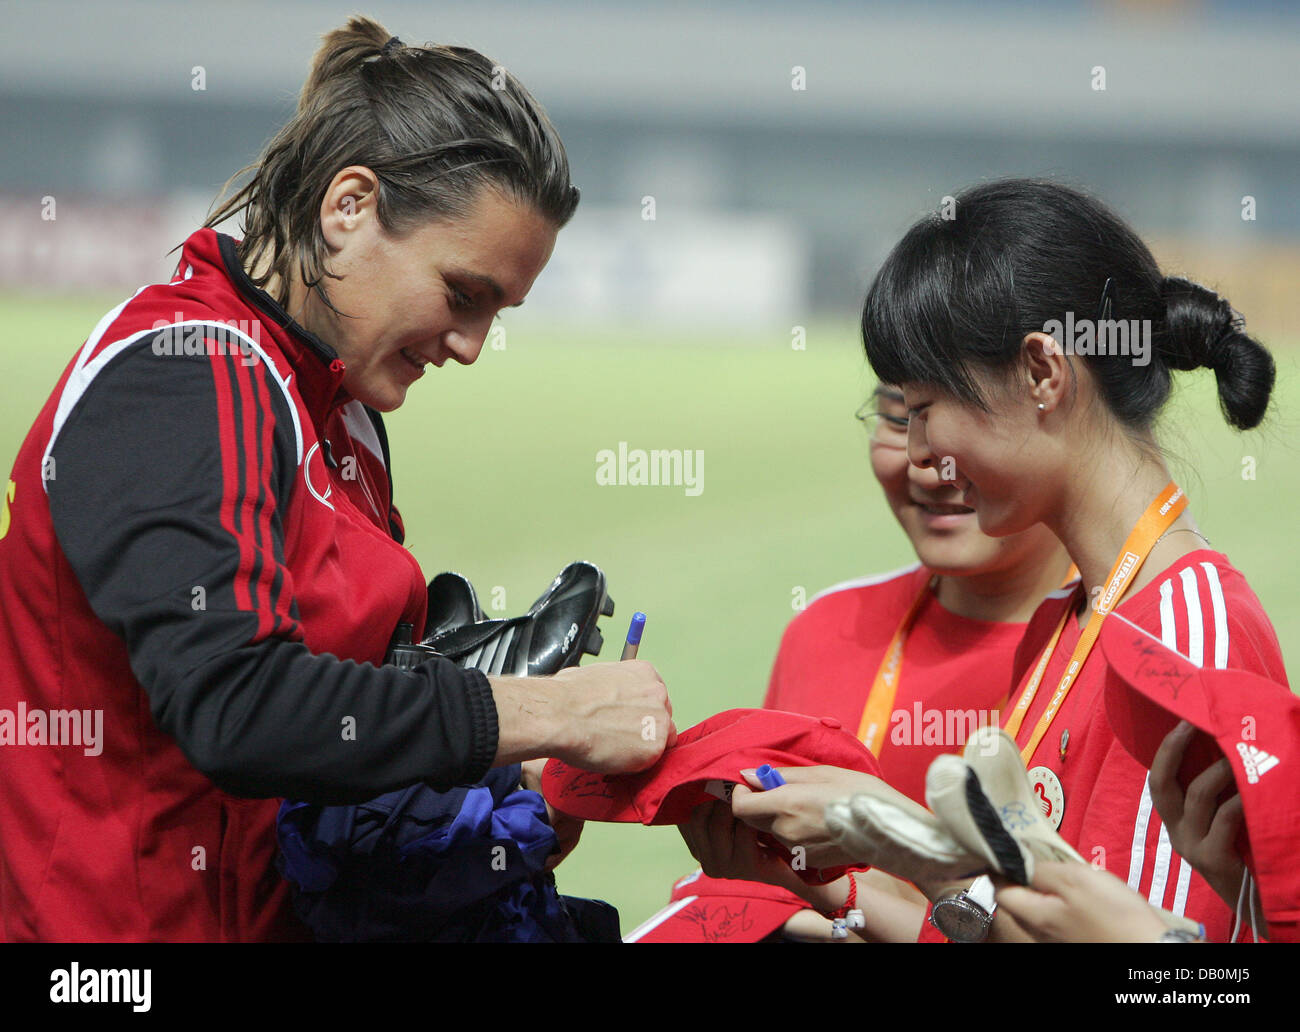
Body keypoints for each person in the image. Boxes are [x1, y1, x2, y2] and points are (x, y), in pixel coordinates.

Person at [0, 16, 672, 942]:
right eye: (463, 293)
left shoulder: (338, 405)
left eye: (500, 313)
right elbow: (238, 707)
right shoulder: (188, 371)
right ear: (348, 207)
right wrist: (538, 713)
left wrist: (494, 802)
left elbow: (315, 764)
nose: (473, 347)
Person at [683, 178, 1286, 943]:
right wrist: (862, 881)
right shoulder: (1067, 623)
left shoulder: (1182, 634)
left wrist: (912, 845)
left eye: (927, 407)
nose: (922, 453)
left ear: (1043, 373)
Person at [641, 383, 1073, 942]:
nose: (928, 466)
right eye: (899, 417)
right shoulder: (827, 628)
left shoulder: (1122, 654)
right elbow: (763, 887)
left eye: (971, 417)